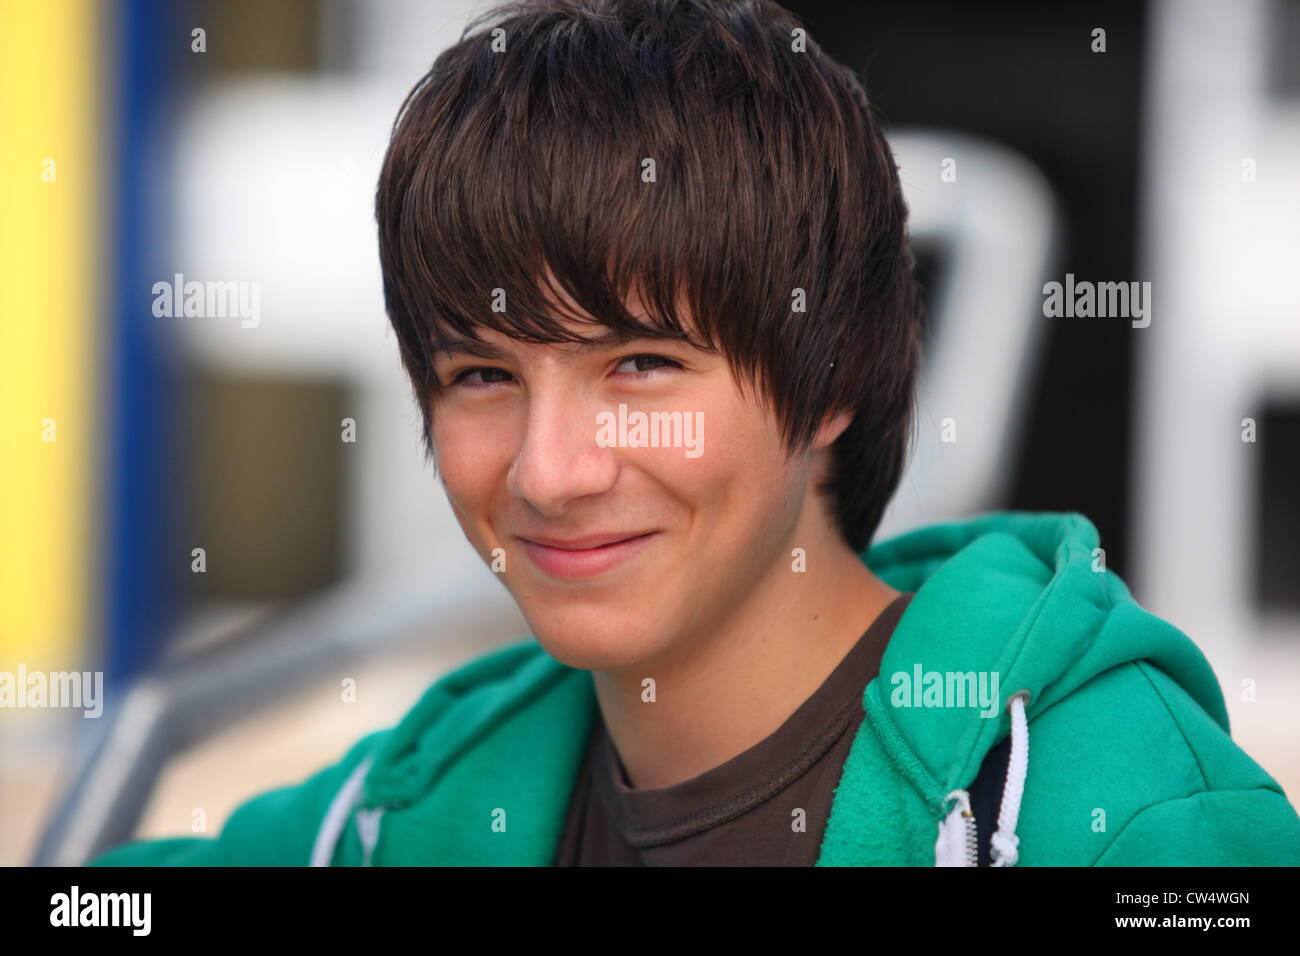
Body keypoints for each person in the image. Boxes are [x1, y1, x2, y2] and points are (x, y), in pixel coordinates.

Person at [90, 0, 1300, 867]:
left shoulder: (1124, 814)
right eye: (480, 375)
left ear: (830, 376)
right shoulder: (427, 793)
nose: (549, 472)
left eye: (639, 366)